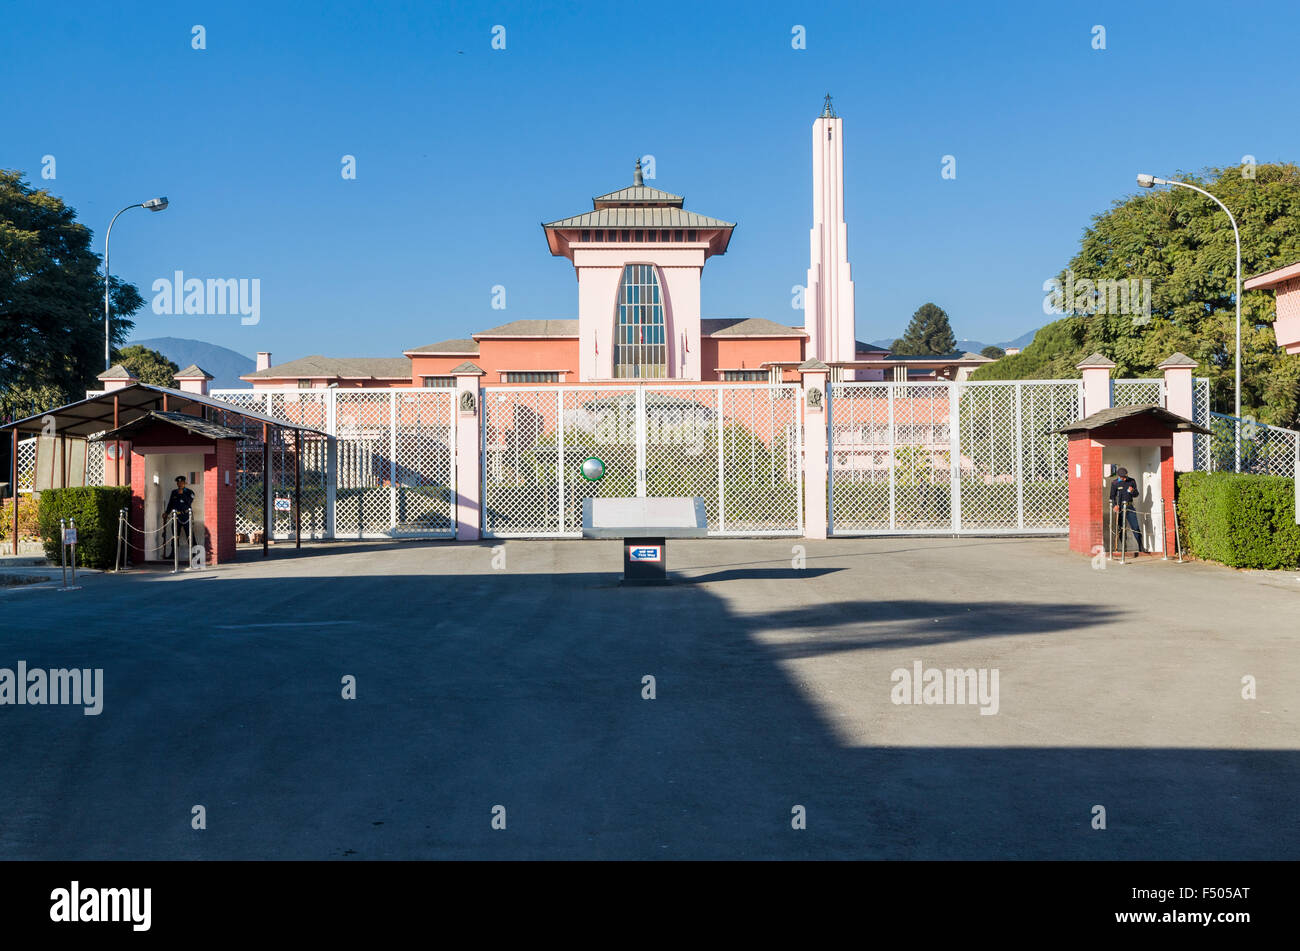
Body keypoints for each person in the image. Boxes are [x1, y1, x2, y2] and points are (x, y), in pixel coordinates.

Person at [1109, 466, 1143, 554]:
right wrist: (1114, 506)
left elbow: (1136, 494)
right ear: (1119, 476)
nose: (1124, 479)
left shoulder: (1131, 481)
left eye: (1125, 476)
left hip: (1129, 507)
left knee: (1135, 527)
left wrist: (1132, 491)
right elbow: (1112, 497)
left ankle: (1141, 547)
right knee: (1121, 528)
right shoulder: (1115, 483)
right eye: (1122, 477)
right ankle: (1124, 548)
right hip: (1120, 509)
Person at [163, 476, 195, 554]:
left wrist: (182, 494)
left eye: (181, 483)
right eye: (178, 483)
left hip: (186, 516)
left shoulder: (189, 492)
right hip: (176, 516)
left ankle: (194, 554)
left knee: (190, 535)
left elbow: (189, 502)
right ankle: (173, 554)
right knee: (175, 536)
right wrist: (167, 512)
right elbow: (170, 503)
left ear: (184, 483)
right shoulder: (174, 492)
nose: (179, 484)